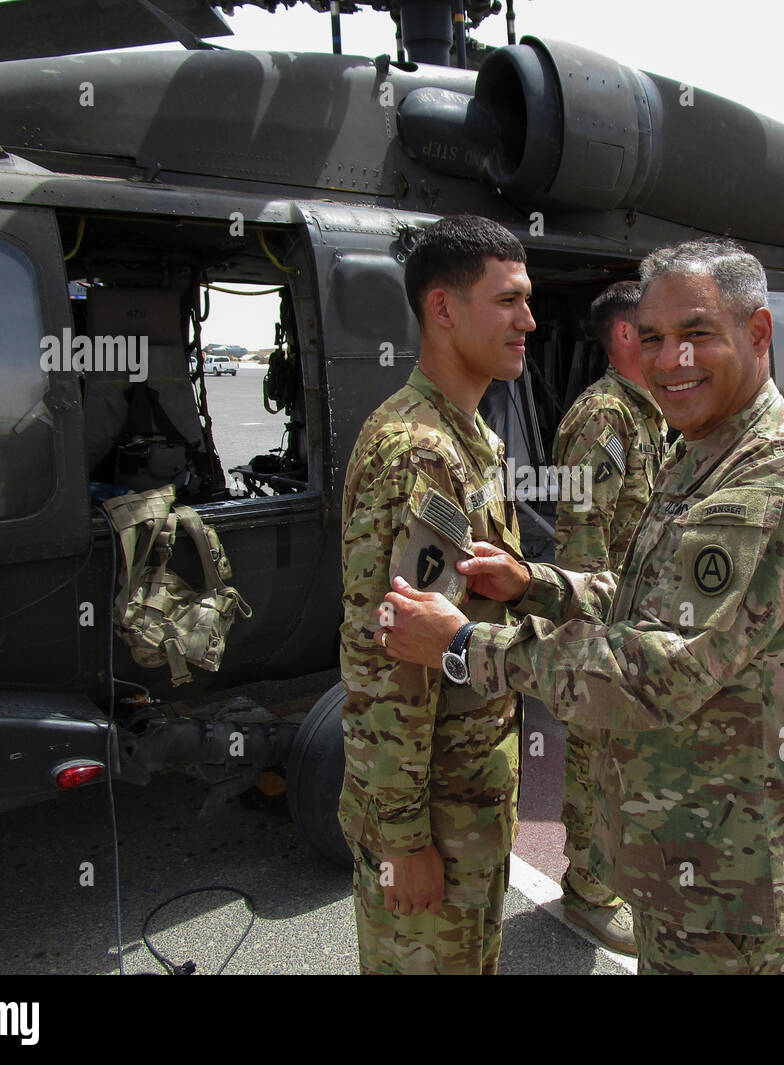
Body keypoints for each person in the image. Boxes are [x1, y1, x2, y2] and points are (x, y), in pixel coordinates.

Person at [377, 239, 784, 974]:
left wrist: (462, 646)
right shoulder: (703, 451)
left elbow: (656, 670)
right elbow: (650, 599)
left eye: (697, 334)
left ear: (758, 332)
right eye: (653, 339)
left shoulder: (776, 482)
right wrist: (534, 584)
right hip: (682, 857)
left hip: (731, 886)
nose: (672, 360)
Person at [337, 214, 534, 974]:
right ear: (443, 310)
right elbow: (393, 655)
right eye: (508, 300)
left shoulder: (469, 435)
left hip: (471, 806)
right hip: (435, 822)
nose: (529, 320)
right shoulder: (420, 450)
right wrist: (404, 838)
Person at [550, 280, 665, 954]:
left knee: (625, 764)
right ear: (625, 336)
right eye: (654, 331)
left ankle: (610, 877)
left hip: (638, 624)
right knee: (599, 761)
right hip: (608, 631)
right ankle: (589, 895)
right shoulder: (605, 419)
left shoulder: (643, 413)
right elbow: (583, 537)